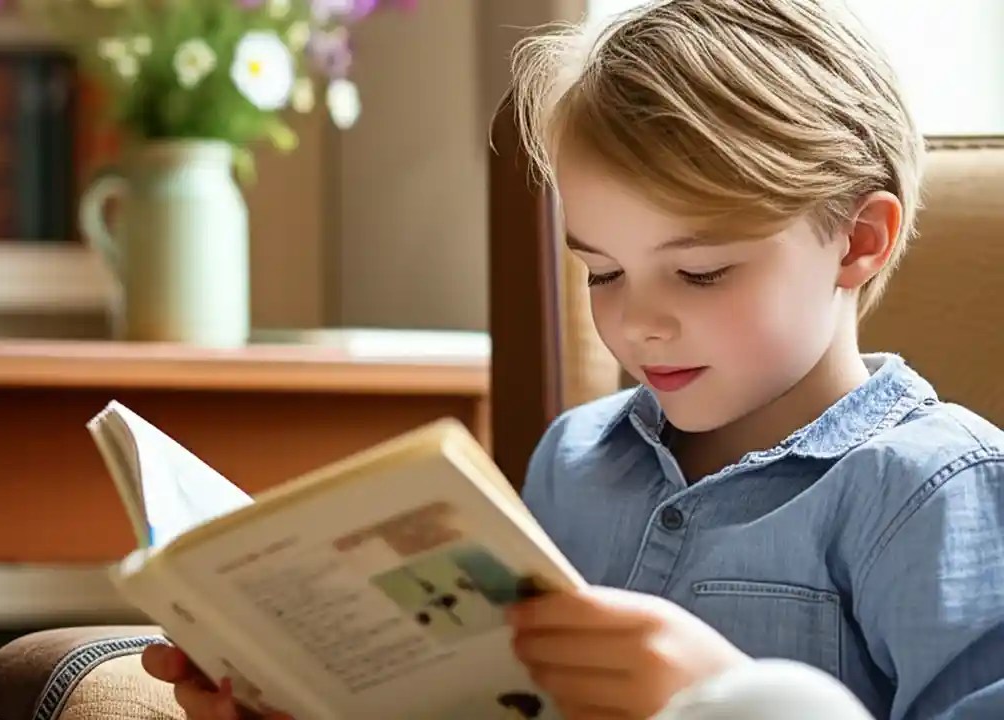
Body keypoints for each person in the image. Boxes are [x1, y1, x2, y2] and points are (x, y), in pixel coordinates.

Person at [142, 0, 1004, 717]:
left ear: (858, 239)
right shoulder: (575, 461)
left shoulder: (934, 490)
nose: (638, 323)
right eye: (603, 271)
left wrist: (730, 699)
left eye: (700, 273)